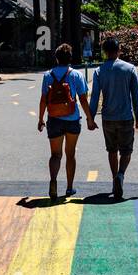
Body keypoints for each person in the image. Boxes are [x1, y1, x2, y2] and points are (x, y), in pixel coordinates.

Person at [88, 36, 138, 200]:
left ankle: (114, 180)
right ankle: (120, 175)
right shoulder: (130, 69)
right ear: (119, 50)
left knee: (112, 150)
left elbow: (95, 97)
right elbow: (136, 97)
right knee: (126, 151)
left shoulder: (99, 71)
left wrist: (91, 118)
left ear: (104, 52)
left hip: (108, 118)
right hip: (126, 117)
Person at [37, 42, 94, 200]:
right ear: (70, 58)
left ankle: (53, 182)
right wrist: (90, 118)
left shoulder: (48, 75)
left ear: (56, 58)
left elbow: (43, 100)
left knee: (55, 155)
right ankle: (69, 188)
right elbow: (82, 99)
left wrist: (41, 119)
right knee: (70, 154)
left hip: (54, 119)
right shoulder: (76, 75)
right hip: (72, 119)